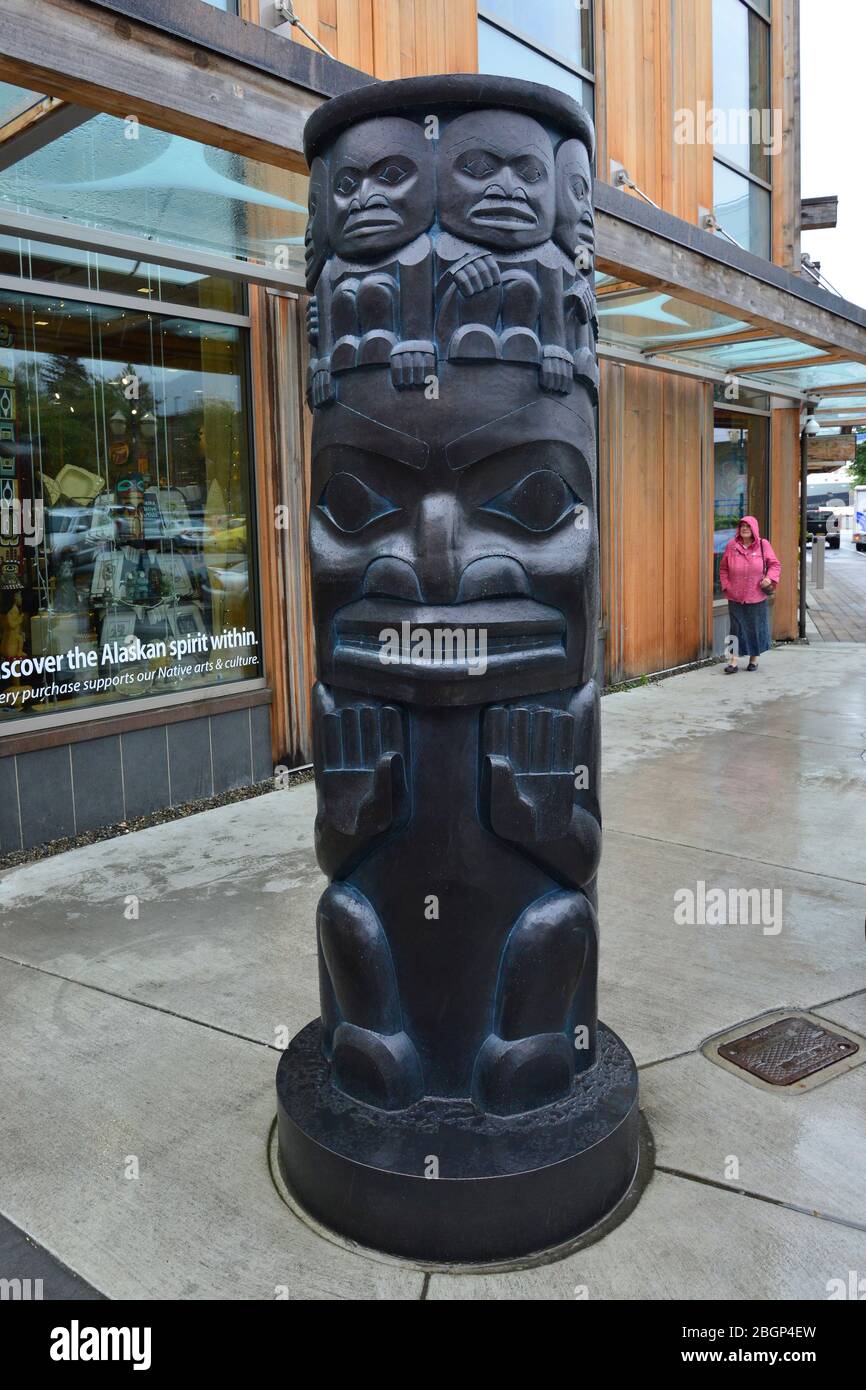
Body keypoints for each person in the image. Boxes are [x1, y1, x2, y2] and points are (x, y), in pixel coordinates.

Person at [719, 514, 781, 673]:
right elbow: (724, 568)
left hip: (756, 595)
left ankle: (754, 659)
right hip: (735, 595)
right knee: (736, 628)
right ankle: (733, 661)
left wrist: (769, 578)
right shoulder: (732, 545)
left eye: (748, 526)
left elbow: (774, 565)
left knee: (755, 627)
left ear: (754, 529)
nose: (744, 529)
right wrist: (727, 586)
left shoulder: (763, 544)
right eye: (742, 526)